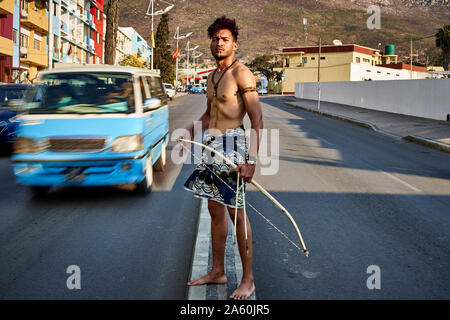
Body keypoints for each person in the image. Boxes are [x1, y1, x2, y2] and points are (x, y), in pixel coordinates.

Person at [181, 16, 263, 300]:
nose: (219, 43)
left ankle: (248, 279)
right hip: (212, 144)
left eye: (225, 38)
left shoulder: (243, 74)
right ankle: (218, 270)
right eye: (215, 38)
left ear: (235, 44)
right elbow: (207, 116)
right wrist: (187, 134)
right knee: (215, 210)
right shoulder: (212, 76)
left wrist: (251, 161)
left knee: (237, 212)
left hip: (234, 145)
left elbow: (257, 121)